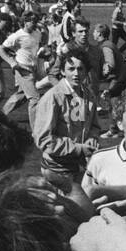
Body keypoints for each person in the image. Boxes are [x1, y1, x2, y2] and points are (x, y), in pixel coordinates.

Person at [32, 47, 100, 185]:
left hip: (78, 165)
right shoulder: (52, 97)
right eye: (71, 69)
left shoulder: (88, 94)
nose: (76, 74)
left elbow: (94, 126)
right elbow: (44, 140)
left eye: (81, 69)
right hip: (56, 168)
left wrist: (92, 139)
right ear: (62, 71)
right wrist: (78, 148)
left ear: (86, 72)